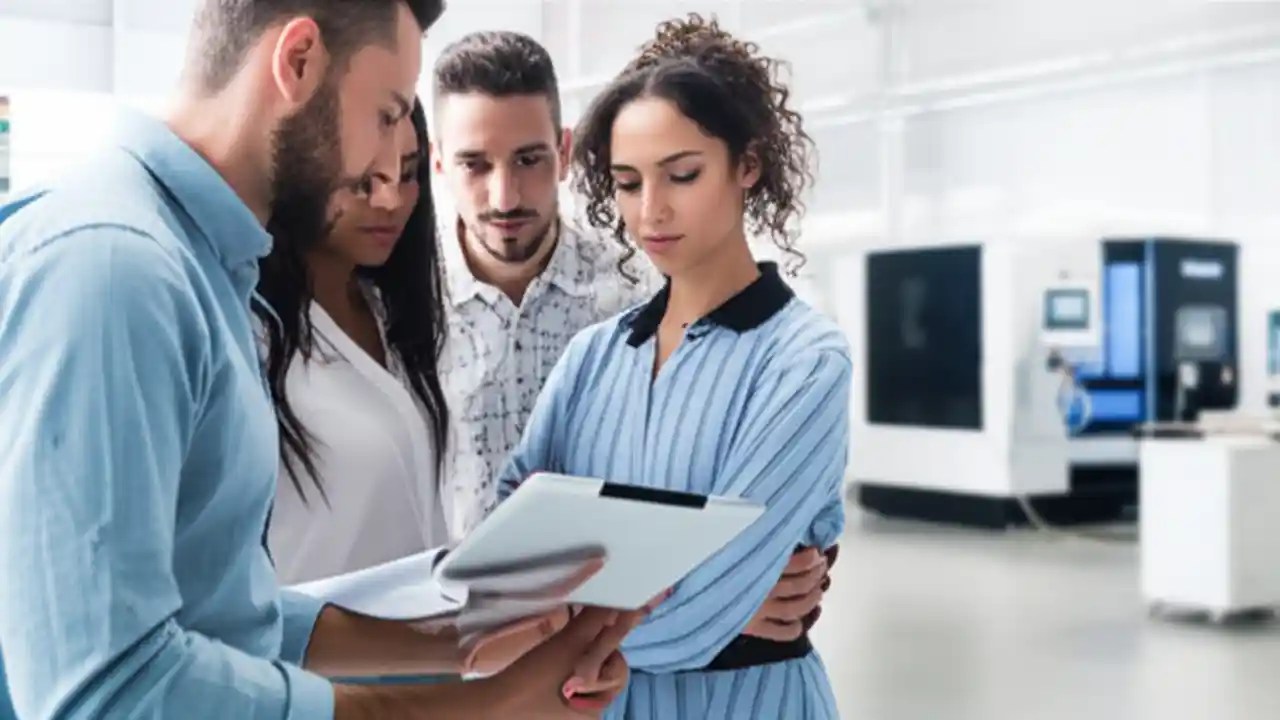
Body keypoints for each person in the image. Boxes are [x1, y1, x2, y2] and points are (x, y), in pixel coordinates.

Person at [0, 1, 642, 718]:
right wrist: (480, 707)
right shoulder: (114, 267)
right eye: (388, 113)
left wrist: (452, 639)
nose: (388, 162)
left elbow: (222, 609)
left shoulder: (202, 269)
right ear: (298, 61)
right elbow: (104, 691)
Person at [493, 14, 849, 719]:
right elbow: (502, 551)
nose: (650, 212)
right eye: (627, 183)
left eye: (681, 175)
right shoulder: (592, 358)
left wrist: (556, 613)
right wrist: (706, 599)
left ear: (747, 165)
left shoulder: (805, 363)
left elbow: (706, 609)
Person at [260, 98, 452, 587]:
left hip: (422, 647)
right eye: (364, 181)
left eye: (407, 175)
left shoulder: (393, 314)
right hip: (300, 651)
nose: (390, 201)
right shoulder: (253, 332)